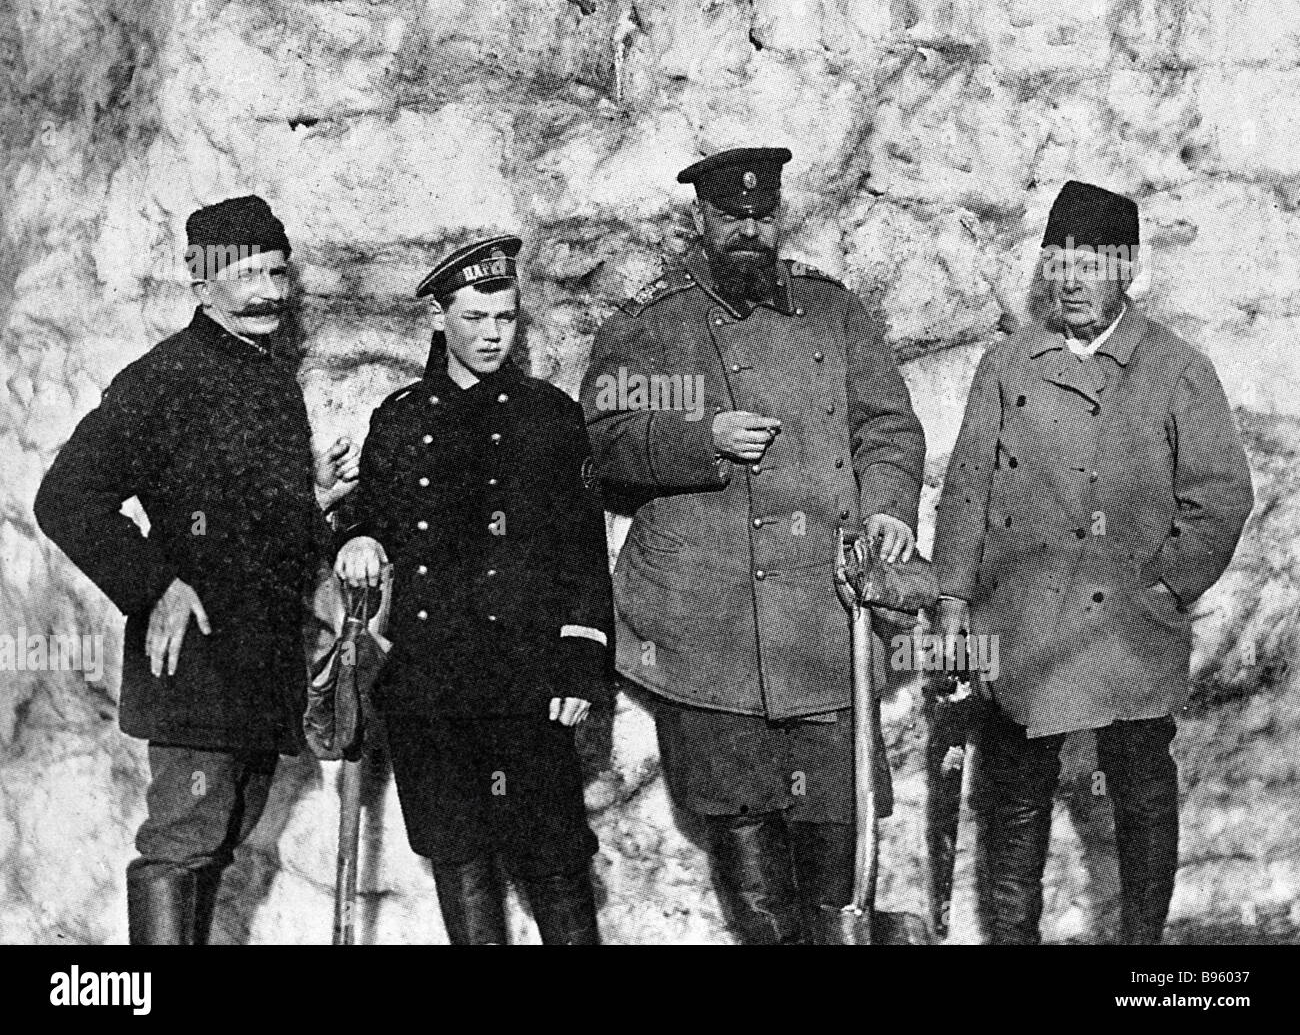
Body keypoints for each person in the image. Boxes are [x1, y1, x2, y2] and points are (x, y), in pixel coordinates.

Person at [579, 147, 926, 943]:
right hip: (710, 628)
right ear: (699, 220)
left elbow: (888, 428)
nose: (748, 231)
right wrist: (701, 438)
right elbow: (601, 439)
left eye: (761, 217)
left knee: (833, 834)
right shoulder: (652, 323)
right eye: (731, 217)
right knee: (746, 835)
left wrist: (888, 509)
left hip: (819, 619)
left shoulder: (833, 313)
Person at [933, 179, 1254, 944]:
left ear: (1129, 270)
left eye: (1092, 263)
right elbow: (969, 489)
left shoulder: (1177, 369)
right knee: (1012, 796)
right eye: (1058, 262)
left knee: (1141, 795)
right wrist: (951, 599)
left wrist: (1163, 589)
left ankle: (1143, 953)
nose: (1072, 280)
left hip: (1126, 629)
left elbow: (1220, 496)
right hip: (1022, 619)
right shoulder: (1008, 366)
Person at [34, 195, 358, 944]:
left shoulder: (273, 384)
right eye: (245, 274)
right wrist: (154, 586)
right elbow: (66, 498)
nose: (268, 291)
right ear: (198, 282)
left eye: (277, 272)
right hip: (197, 667)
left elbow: (245, 525)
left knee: (221, 841)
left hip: (259, 667)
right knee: (182, 843)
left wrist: (308, 501)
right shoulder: (164, 379)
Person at [335, 236, 613, 945]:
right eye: (476, 318)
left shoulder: (548, 416)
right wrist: (356, 537)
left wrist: (580, 661)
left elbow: (582, 550)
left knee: (554, 859)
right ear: (438, 317)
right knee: (458, 859)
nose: (493, 335)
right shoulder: (399, 419)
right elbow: (372, 516)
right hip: (430, 687)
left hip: (525, 682)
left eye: (507, 319)